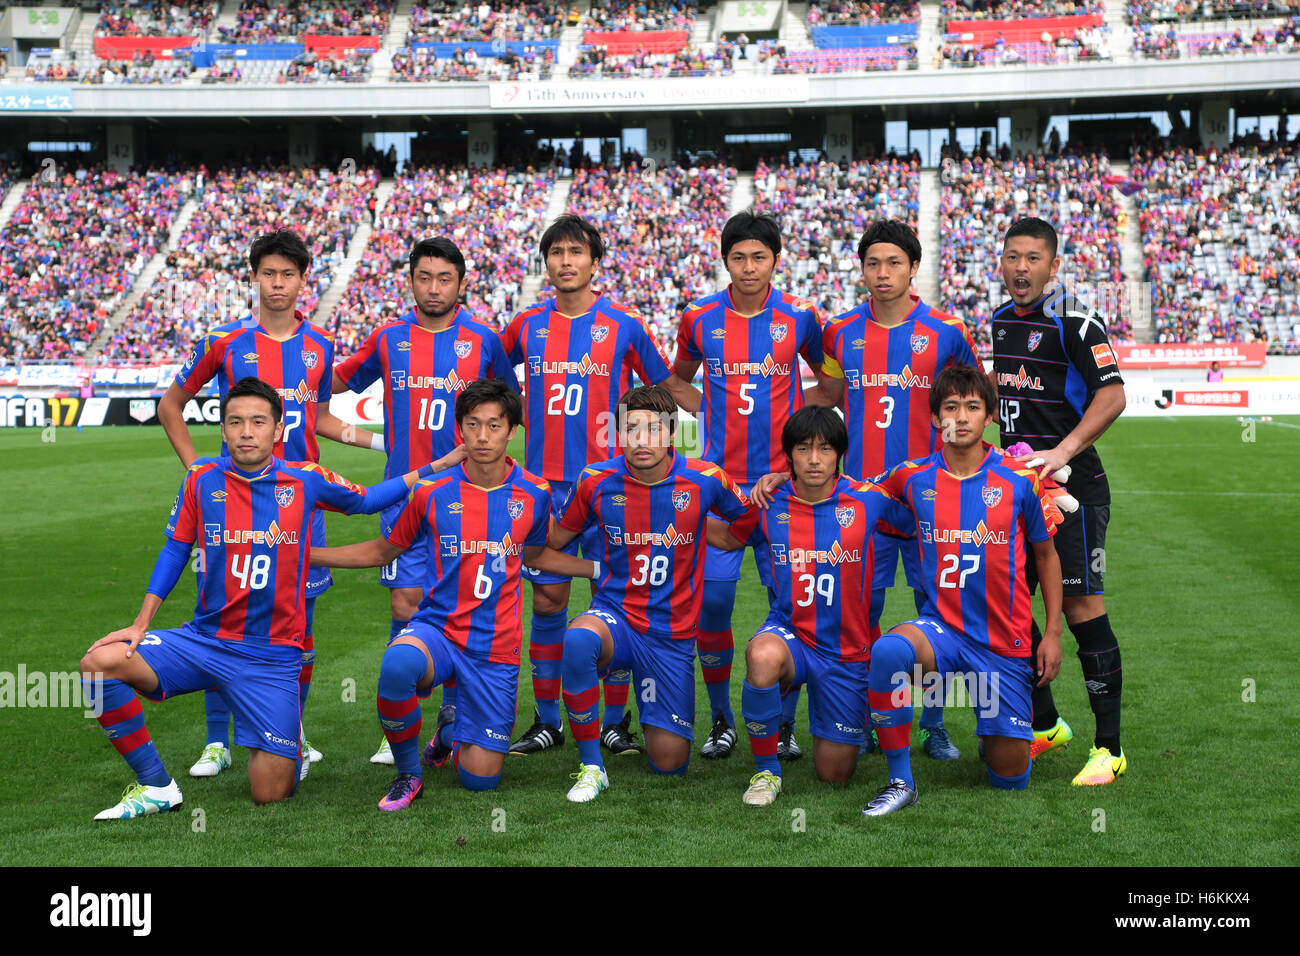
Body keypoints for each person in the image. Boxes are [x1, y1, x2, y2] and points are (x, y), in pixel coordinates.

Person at [81, 377, 448, 819]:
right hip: (206, 641)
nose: (246, 431)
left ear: (278, 430)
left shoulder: (305, 479)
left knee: (269, 793)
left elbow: (368, 502)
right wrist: (141, 623)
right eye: (235, 422)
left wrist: (436, 465)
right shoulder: (200, 479)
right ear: (222, 429)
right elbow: (176, 550)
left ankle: (286, 742)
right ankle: (156, 786)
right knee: (99, 664)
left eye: (258, 421)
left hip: (272, 657)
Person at [309, 379, 597, 810]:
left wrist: (598, 569)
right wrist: (306, 554)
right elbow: (384, 549)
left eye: (494, 425)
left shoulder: (534, 494)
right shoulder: (429, 491)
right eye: (473, 424)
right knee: (397, 663)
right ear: (459, 430)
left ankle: (447, 734)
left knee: (480, 781)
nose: (483, 436)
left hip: (495, 647)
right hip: (438, 630)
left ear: (511, 431)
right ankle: (408, 774)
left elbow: (538, 554)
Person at [157, 229, 359, 777]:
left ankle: (289, 728)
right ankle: (217, 742)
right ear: (254, 277)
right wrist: (197, 468)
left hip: (300, 511)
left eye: (287, 274)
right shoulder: (224, 340)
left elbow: (316, 418)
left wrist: (374, 438)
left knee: (300, 625)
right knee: (219, 620)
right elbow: (171, 403)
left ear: (302, 281)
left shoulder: (320, 344)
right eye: (268, 273)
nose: (278, 283)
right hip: (232, 509)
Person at [499, 214, 695, 756]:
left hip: (615, 488)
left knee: (618, 601)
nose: (565, 261)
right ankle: (547, 720)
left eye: (576, 252)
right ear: (547, 262)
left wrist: (725, 424)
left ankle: (613, 722)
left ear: (594, 261)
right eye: (556, 252)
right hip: (545, 488)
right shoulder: (525, 325)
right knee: (548, 601)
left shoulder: (624, 325)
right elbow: (490, 379)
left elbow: (665, 384)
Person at [330, 236, 517, 765]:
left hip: (472, 495)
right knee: (405, 605)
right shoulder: (389, 338)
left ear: (462, 284)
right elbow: (332, 380)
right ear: (410, 281)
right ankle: (402, 723)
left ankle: (457, 716)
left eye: (444, 278)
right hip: (408, 494)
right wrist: (363, 437)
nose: (434, 288)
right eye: (424, 277)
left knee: (465, 606)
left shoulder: (482, 339)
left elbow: (505, 404)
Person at [669, 210, 843, 762]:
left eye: (759, 257)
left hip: (786, 491)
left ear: (776, 260)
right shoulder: (698, 318)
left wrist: (799, 417)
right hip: (720, 490)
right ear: (725, 260)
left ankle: (786, 725)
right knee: (713, 606)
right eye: (739, 257)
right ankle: (721, 719)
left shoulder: (800, 318)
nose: (749, 267)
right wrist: (711, 407)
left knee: (793, 608)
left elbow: (833, 382)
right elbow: (677, 378)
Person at [861, 365, 1065, 816]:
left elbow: (1048, 557)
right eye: (950, 407)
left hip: (1003, 644)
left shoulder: (1018, 479)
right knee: (889, 653)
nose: (961, 416)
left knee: (1009, 778)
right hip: (942, 631)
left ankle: (994, 728)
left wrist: (1051, 634)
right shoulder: (912, 477)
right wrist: (783, 481)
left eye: (973, 406)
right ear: (935, 418)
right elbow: (848, 495)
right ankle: (901, 781)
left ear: (989, 416)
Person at [819, 218, 986, 760]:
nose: (882, 273)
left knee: (936, 614)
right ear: (861, 268)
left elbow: (972, 404)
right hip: (863, 503)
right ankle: (865, 717)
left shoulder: (946, 331)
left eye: (894, 263)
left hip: (933, 500)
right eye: (873, 263)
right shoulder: (839, 332)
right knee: (860, 612)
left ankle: (933, 723)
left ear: (914, 268)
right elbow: (825, 400)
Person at [550, 385, 758, 802]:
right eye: (631, 429)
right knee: (577, 638)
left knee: (670, 764)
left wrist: (707, 531)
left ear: (671, 434)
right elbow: (553, 540)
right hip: (617, 617)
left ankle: (648, 717)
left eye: (652, 429)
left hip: (671, 633)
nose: (641, 440)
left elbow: (744, 526)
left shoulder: (705, 480)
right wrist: (590, 565)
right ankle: (592, 766)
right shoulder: (595, 481)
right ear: (618, 434)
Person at [715, 406, 912, 806]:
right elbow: (731, 537)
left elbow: (920, 519)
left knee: (834, 774)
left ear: (839, 453)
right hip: (791, 634)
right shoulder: (769, 503)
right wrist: (668, 514)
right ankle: (766, 770)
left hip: (846, 650)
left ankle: (859, 721)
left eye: (824, 449)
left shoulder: (868, 501)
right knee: (762, 655)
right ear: (789, 456)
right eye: (803, 449)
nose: (815, 459)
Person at [992, 216, 1128, 787]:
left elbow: (1114, 395)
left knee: (1079, 611)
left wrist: (1062, 451)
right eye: (1012, 257)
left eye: (1032, 258)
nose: (1021, 268)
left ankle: (1110, 750)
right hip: (1017, 493)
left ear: (1052, 264)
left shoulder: (1075, 319)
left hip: (1074, 492)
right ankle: (1045, 726)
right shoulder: (1000, 322)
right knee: (1011, 610)